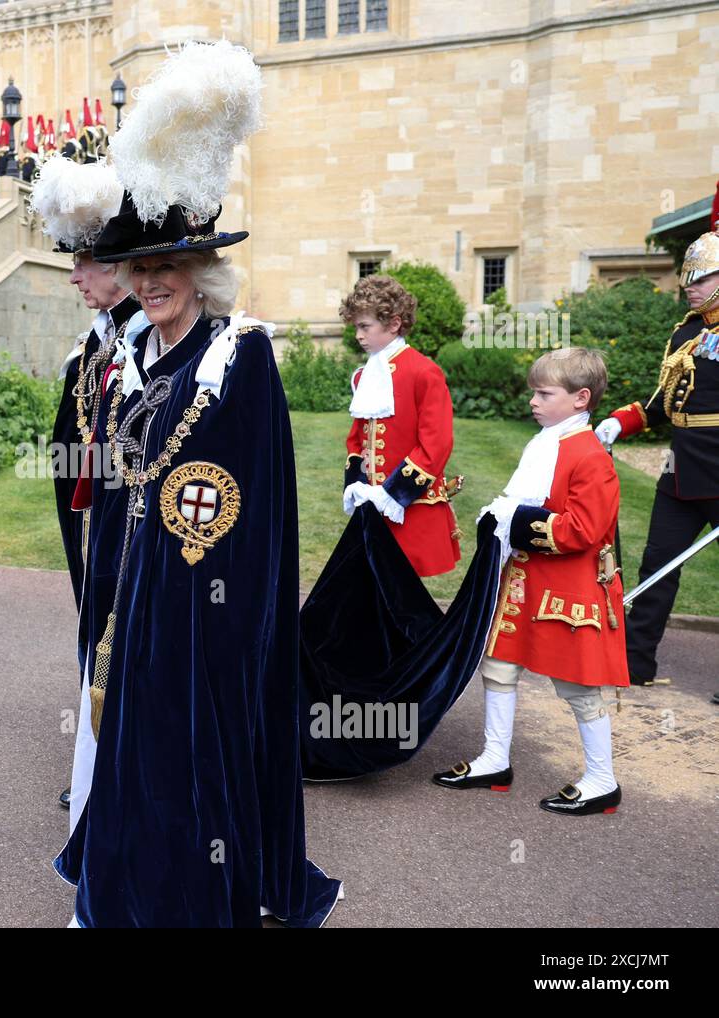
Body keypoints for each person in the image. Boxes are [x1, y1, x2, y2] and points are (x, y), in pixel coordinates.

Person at [56, 40, 341, 927]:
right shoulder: (135, 350)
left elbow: (247, 494)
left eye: (166, 270)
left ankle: (195, 897)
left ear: (201, 272)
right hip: (139, 593)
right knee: (133, 749)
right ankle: (128, 887)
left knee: (192, 752)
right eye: (140, 271)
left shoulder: (242, 354)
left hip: (208, 599)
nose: (150, 285)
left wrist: (205, 601)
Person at [434, 347, 627, 816]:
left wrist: (515, 520)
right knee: (498, 666)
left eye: (544, 394)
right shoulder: (544, 442)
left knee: (579, 685)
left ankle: (603, 780)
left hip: (570, 588)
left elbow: (581, 530)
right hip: (525, 580)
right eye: (533, 393)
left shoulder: (590, 457)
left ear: (581, 398)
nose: (533, 402)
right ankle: (495, 760)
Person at [29, 154, 144, 810]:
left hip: (122, 520)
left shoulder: (139, 334)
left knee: (120, 638)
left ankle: (117, 772)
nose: (72, 275)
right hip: (91, 520)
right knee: (96, 634)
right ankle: (101, 759)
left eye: (83, 261)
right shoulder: (100, 336)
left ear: (118, 266)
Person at [596, 231, 719, 686]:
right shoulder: (687, 330)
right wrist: (619, 423)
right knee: (658, 565)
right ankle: (634, 662)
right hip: (681, 471)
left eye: (702, 277)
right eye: (688, 276)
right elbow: (662, 401)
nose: (690, 284)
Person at [338, 275, 462, 577]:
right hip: (371, 501)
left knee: (407, 594)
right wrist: (356, 483)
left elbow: (436, 444)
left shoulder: (424, 372)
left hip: (411, 504)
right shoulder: (363, 375)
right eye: (356, 327)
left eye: (365, 327)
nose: (358, 335)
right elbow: (358, 437)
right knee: (371, 587)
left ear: (394, 324)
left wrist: (393, 494)